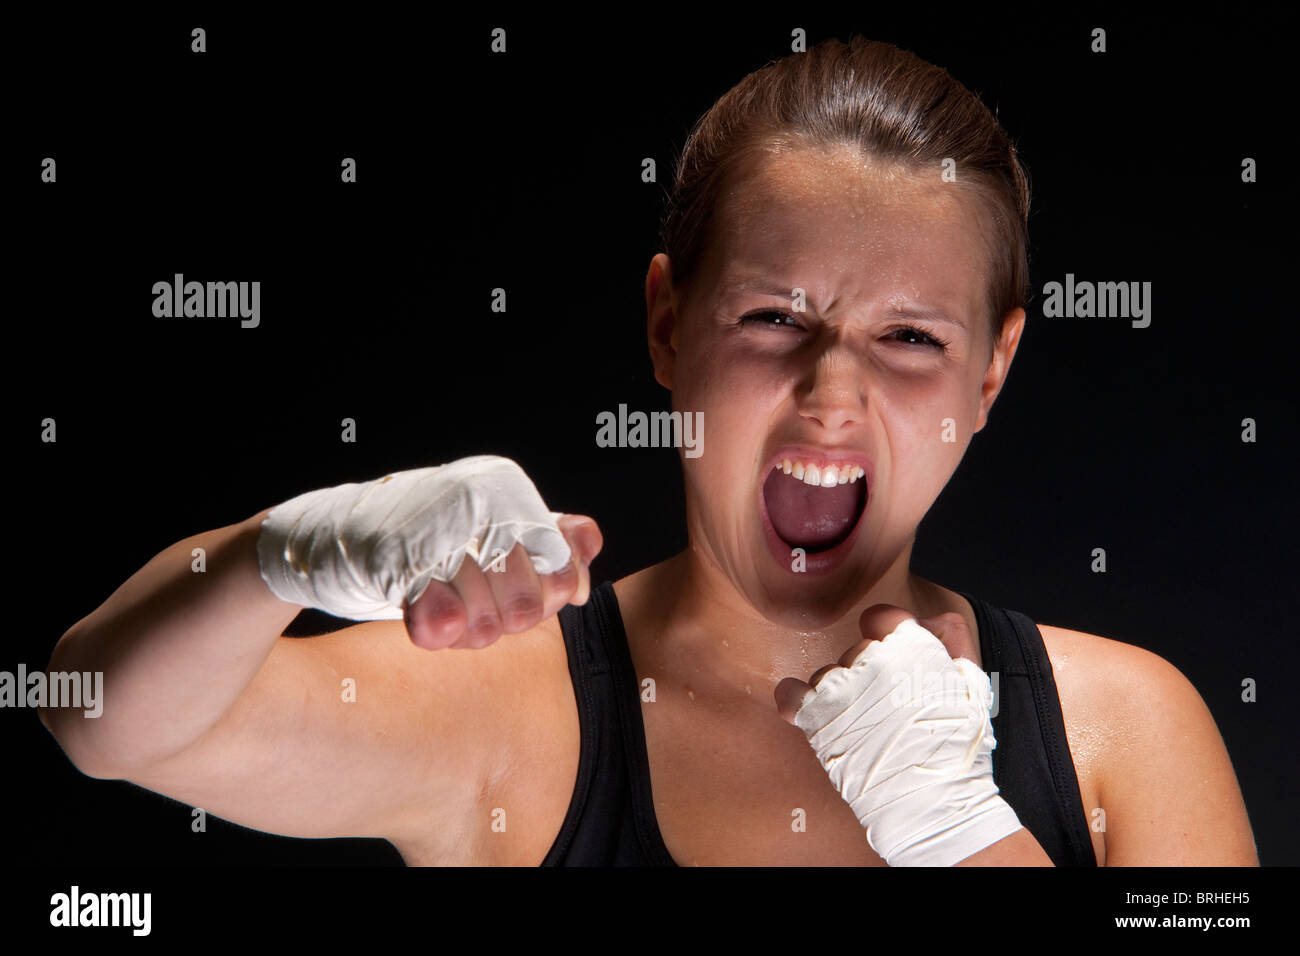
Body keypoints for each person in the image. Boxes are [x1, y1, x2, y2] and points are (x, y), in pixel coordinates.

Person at [39, 36, 1257, 867]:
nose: (831, 394)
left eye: (909, 337)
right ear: (669, 323)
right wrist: (276, 554)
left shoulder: (1121, 731)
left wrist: (956, 825)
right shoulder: (511, 712)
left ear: (987, 374)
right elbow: (96, 715)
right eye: (775, 317)